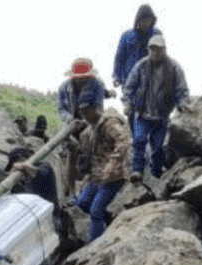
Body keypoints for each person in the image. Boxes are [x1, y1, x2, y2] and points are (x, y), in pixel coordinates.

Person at [122, 35, 189, 183]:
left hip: (161, 115)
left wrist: (183, 103)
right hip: (142, 112)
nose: (155, 53)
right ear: (148, 50)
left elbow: (182, 89)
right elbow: (129, 87)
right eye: (152, 49)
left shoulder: (174, 67)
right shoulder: (141, 65)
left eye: (158, 49)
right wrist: (127, 104)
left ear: (164, 50)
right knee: (139, 140)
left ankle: (156, 172)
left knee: (158, 147)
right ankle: (137, 170)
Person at [6, 146, 64, 265]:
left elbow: (38, 173)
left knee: (42, 255)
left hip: (50, 219)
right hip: (35, 221)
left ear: (20, 159)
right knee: (30, 253)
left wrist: (24, 167)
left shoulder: (43, 166)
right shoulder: (26, 177)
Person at [71, 92, 130, 242]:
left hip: (112, 175)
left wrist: (113, 163)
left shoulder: (109, 124)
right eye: (81, 112)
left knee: (95, 210)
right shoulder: (88, 130)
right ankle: (110, 220)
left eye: (86, 111)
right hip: (96, 175)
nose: (84, 115)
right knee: (82, 203)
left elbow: (123, 141)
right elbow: (85, 151)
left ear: (94, 109)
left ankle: (94, 244)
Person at [57, 58, 110, 197]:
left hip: (91, 122)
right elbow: (62, 109)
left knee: (94, 153)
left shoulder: (97, 84)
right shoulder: (64, 88)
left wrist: (89, 122)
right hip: (72, 125)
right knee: (71, 154)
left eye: (84, 76)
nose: (81, 79)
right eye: (78, 77)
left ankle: (89, 188)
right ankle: (72, 191)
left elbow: (98, 108)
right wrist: (71, 120)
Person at [113, 4, 161, 135]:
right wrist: (116, 76)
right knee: (131, 111)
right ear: (137, 20)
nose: (145, 23)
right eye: (142, 20)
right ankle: (136, 141)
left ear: (152, 21)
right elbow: (119, 58)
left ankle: (150, 140)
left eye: (147, 20)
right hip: (129, 80)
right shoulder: (127, 36)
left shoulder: (156, 34)